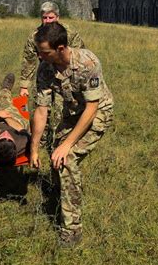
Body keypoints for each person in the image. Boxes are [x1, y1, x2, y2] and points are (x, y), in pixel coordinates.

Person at [30, 22, 114, 247]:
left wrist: (68, 145)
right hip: (73, 112)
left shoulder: (88, 62)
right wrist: (34, 148)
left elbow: (92, 108)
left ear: (60, 48)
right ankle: (63, 195)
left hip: (96, 114)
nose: (40, 56)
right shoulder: (45, 68)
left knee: (66, 158)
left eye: (44, 52)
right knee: (54, 152)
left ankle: (72, 231)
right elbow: (41, 110)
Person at [19, 1, 85, 145]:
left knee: (64, 107)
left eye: (51, 18)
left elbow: (79, 55)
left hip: (66, 76)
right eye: (44, 18)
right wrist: (24, 85)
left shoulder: (69, 34)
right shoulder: (35, 37)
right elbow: (28, 61)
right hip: (44, 75)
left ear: (58, 17)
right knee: (42, 107)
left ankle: (62, 139)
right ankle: (41, 140)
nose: (47, 21)